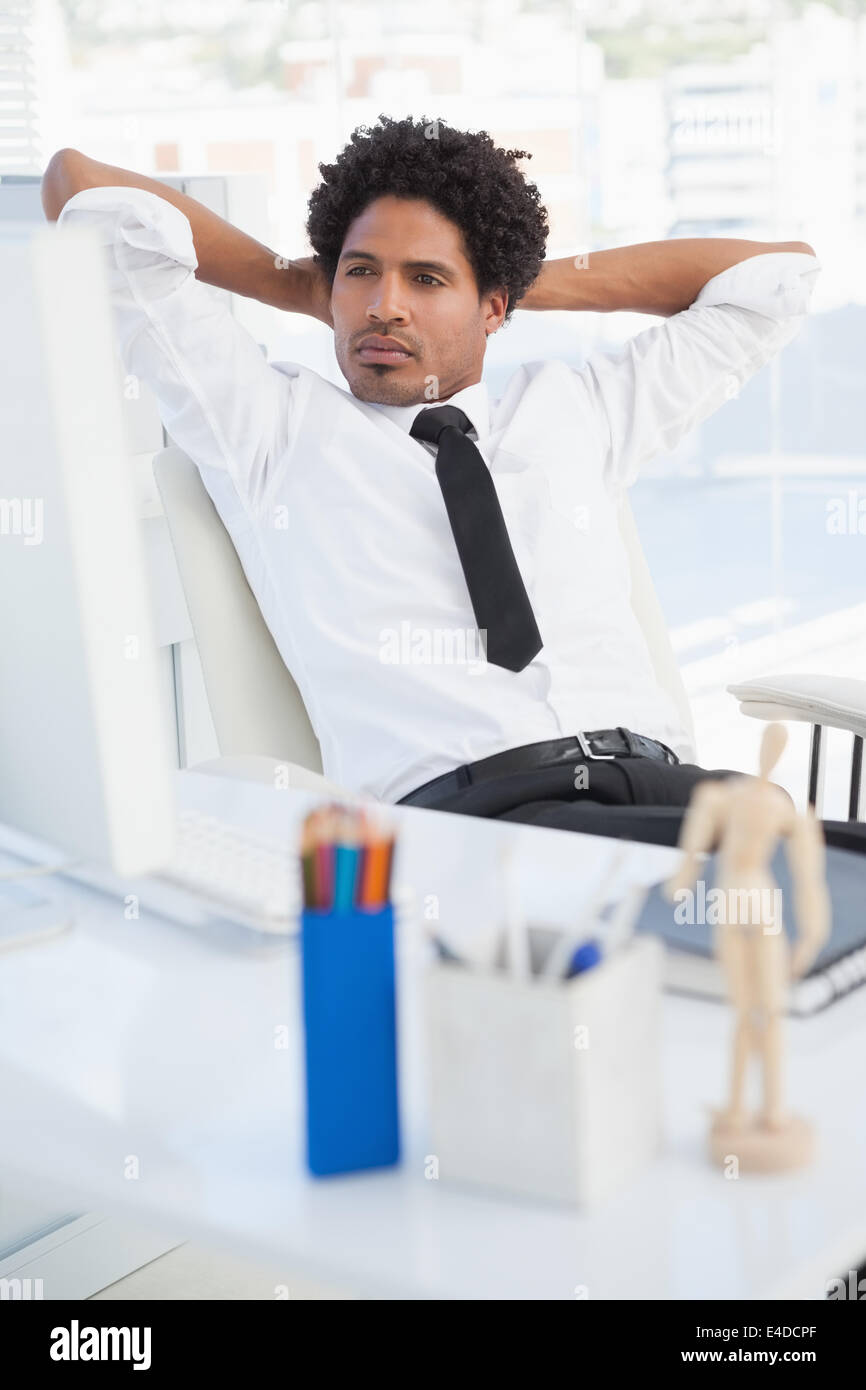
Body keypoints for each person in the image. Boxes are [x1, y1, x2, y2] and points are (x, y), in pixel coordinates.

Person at [42, 115, 838, 851]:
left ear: (495, 308)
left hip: (679, 797)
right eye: (361, 273)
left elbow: (775, 282)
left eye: (426, 280)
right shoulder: (267, 429)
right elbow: (81, 187)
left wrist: (515, 278)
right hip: (477, 825)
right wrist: (304, 283)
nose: (383, 307)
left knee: (821, 887)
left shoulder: (580, 412)